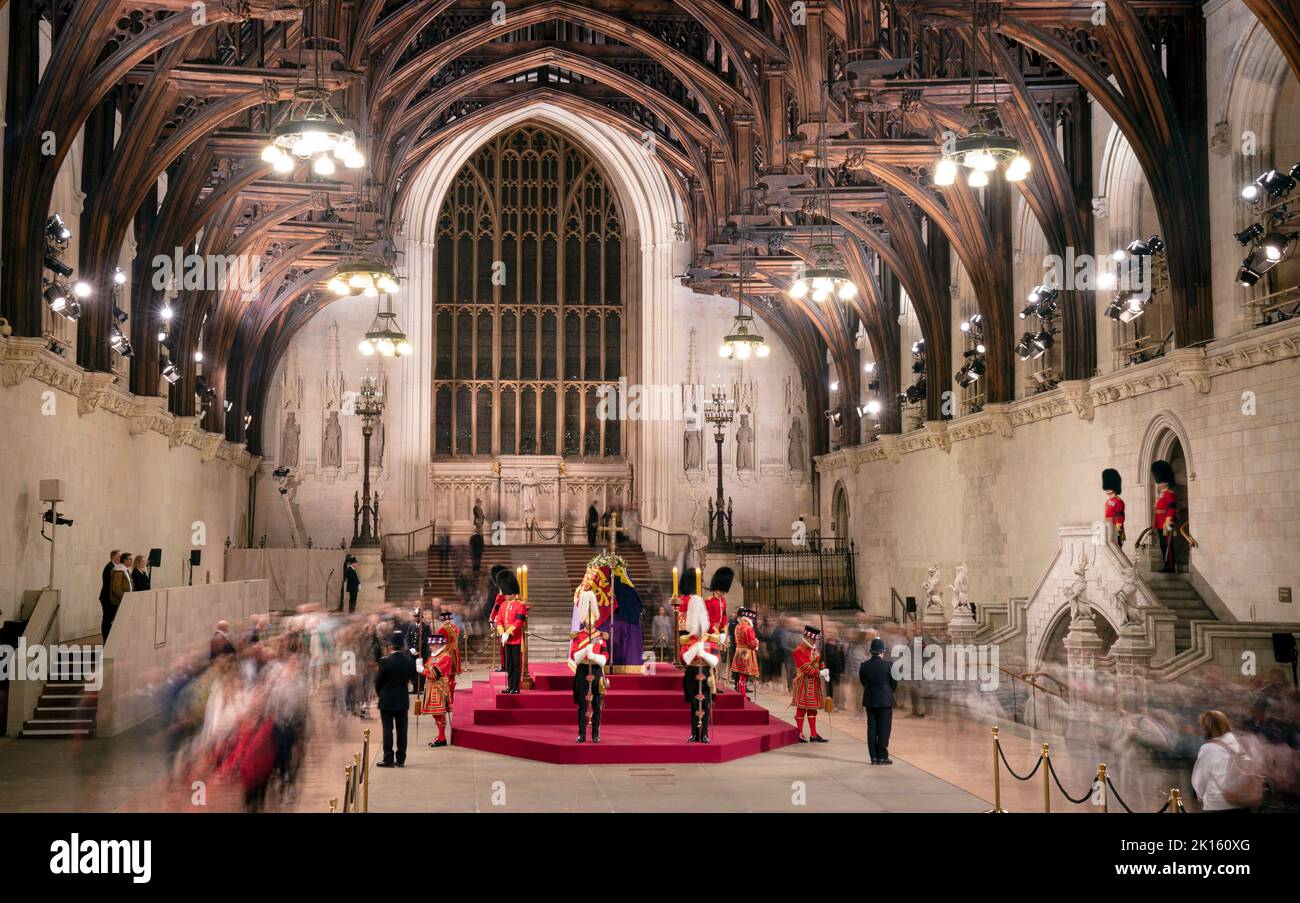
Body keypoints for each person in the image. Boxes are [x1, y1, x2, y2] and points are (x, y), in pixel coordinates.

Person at [1191, 710, 1255, 812]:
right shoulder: (1237, 743)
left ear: (1206, 728)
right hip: (1242, 801)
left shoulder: (1208, 748)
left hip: (1218, 803)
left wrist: (1199, 795)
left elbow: (1200, 778)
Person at [680, 594, 719, 743]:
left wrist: (704, 654)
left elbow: (715, 659)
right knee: (694, 705)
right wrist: (696, 649)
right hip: (692, 672)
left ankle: (705, 734)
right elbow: (684, 658)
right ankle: (694, 733)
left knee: (706, 705)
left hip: (706, 672)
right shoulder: (687, 640)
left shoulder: (710, 638)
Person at [374, 631, 417, 766]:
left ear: (391, 646)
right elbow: (414, 679)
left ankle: (388, 759)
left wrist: (381, 694)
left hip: (386, 700)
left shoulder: (384, 662)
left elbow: (378, 682)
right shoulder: (408, 661)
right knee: (402, 731)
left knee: (388, 730)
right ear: (403, 646)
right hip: (402, 700)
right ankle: (401, 759)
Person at [570, 590, 608, 743]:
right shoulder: (578, 635)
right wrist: (585, 651)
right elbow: (574, 656)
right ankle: (581, 734)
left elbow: (605, 657)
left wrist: (595, 657)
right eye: (587, 616)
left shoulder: (600, 636)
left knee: (597, 704)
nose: (590, 619)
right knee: (582, 704)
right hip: (582, 669)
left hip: (596, 669)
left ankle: (595, 734)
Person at [860, 637, 898, 764]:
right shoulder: (889, 665)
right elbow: (894, 684)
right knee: (884, 729)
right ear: (883, 651)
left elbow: (863, 682)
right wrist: (888, 692)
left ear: (871, 651)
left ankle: (873, 757)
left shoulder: (864, 666)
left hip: (870, 700)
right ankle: (882, 756)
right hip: (885, 701)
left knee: (872, 729)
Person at [792, 625, 830, 742]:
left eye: (815, 639)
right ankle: (800, 732)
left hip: (814, 683)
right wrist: (820, 672)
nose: (814, 641)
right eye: (812, 639)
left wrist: (824, 670)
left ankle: (813, 734)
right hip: (803, 683)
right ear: (806, 637)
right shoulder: (799, 650)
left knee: (813, 709)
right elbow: (806, 668)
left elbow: (819, 661)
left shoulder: (814, 649)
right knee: (802, 708)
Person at [493, 569, 527, 693]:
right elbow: (499, 620)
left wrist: (508, 633)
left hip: (516, 639)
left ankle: (516, 687)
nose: (505, 594)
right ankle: (510, 686)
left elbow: (518, 622)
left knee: (516, 664)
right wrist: (502, 633)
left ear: (513, 592)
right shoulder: (503, 605)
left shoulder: (520, 605)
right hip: (506, 639)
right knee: (509, 664)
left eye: (508, 592)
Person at [420, 634, 455, 749]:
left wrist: (423, 670)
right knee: (436, 715)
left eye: (433, 645)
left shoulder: (445, 657)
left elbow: (434, 674)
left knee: (439, 714)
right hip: (431, 688)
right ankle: (440, 736)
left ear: (438, 644)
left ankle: (442, 738)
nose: (430, 647)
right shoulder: (433, 656)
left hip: (439, 688)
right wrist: (422, 666)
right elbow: (428, 667)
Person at [1151, 459, 1178, 572]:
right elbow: (1157, 512)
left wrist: (1168, 523)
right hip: (1159, 524)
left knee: (1168, 545)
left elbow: (1172, 509)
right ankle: (1166, 564)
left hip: (1167, 524)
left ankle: (1170, 566)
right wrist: (1154, 524)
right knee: (1163, 545)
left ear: (1166, 482)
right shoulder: (1161, 495)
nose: (1159, 484)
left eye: (1161, 482)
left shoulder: (1170, 494)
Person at [731, 607, 760, 697]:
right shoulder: (748, 628)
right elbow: (752, 643)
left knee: (741, 675)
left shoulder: (738, 626)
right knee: (744, 676)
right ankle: (742, 695)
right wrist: (756, 642)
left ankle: (741, 693)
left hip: (738, 651)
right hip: (746, 653)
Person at [100, 549, 120, 640]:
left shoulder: (114, 567)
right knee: (107, 619)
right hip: (107, 598)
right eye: (118, 556)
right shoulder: (110, 567)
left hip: (110, 597)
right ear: (113, 557)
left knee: (109, 619)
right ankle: (106, 639)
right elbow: (112, 585)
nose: (120, 558)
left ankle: (108, 639)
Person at [1103, 468, 1126, 546]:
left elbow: (1120, 518)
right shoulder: (1108, 501)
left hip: (1116, 531)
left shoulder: (1118, 501)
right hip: (1108, 529)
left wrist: (1118, 531)